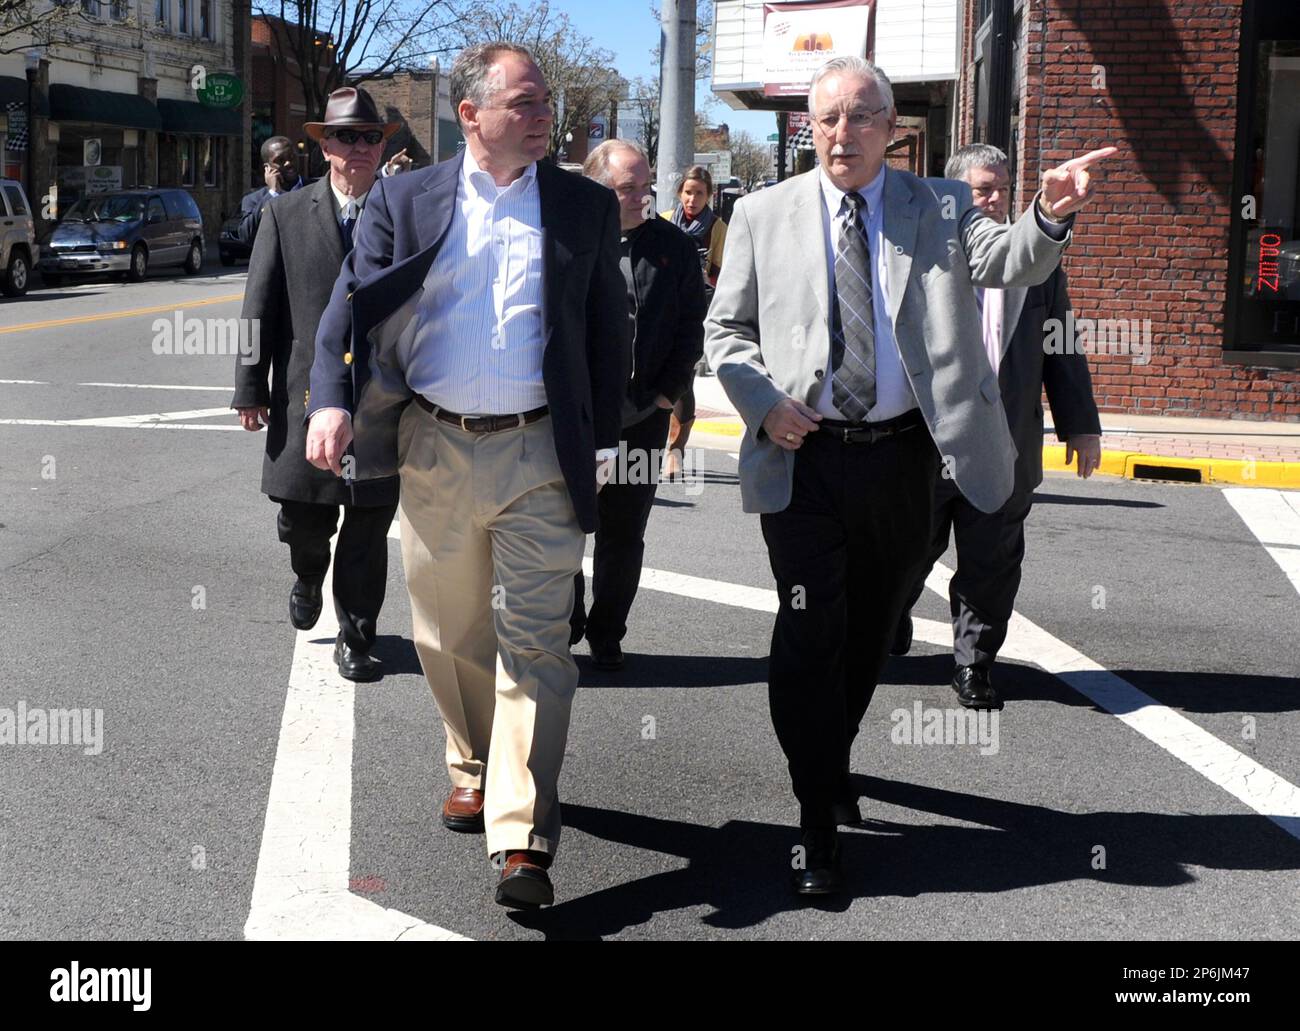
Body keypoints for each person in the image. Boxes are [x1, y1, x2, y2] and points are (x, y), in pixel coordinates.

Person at [704, 54, 1115, 896]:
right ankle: (817, 816)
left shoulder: (942, 205)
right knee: (810, 628)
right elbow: (726, 331)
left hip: (903, 457)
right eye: (826, 118)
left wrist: (1050, 210)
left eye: (862, 116)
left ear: (893, 131)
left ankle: (828, 755)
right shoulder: (762, 213)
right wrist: (762, 402)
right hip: (804, 454)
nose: (842, 132)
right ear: (807, 129)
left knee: (869, 632)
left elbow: (1011, 262)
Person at [304, 43, 628, 910]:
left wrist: (603, 434)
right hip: (432, 444)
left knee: (537, 642)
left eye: (544, 102)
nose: (542, 115)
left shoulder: (584, 207)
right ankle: (473, 761)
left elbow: (608, 328)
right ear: (473, 113)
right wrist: (329, 400)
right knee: (448, 634)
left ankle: (521, 835)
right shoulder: (405, 199)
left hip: (538, 451)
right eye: (523, 102)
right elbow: (349, 302)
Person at [892, 143, 1102, 709]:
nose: (993, 198)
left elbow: (1062, 346)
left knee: (992, 562)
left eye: (1003, 189)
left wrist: (1080, 426)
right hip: (927, 442)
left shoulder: (1036, 263)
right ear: (955, 194)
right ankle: (892, 614)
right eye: (983, 189)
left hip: (1006, 442)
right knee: (909, 547)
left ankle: (974, 664)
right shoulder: (924, 256)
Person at [232, 88, 402, 682]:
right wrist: (250, 387)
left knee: (368, 524)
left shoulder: (408, 212)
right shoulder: (285, 213)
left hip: (383, 404)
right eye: (346, 137)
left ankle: (357, 635)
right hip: (305, 396)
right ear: (324, 145)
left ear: (383, 145)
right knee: (306, 524)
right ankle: (307, 574)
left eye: (370, 137)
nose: (359, 147)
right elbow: (259, 309)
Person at [570, 139, 706, 670]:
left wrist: (667, 396)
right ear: (598, 186)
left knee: (624, 536)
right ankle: (567, 621)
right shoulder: (569, 240)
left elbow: (690, 330)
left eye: (646, 186)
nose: (640, 197)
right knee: (564, 527)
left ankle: (607, 631)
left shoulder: (672, 248)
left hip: (641, 419)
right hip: (576, 418)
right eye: (628, 188)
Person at [660, 165, 727, 479]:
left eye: (700, 193)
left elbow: (726, 275)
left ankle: (676, 446)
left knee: (683, 373)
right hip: (660, 309)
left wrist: (703, 274)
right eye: (688, 192)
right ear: (679, 194)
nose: (693, 199)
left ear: (709, 196)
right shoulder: (661, 222)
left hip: (697, 309)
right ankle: (648, 445)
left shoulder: (716, 228)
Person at [235, 137, 306, 249]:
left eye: (291, 157)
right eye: (280, 160)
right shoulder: (254, 200)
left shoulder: (317, 188)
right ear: (267, 168)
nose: (288, 163)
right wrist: (273, 193)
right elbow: (246, 236)